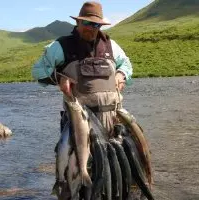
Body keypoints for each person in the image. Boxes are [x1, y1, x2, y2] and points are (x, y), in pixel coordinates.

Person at [32, 1, 145, 199]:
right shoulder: (61, 46)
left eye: (96, 25)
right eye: (88, 24)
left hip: (111, 121)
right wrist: (59, 77)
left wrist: (121, 74)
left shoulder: (111, 45)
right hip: (78, 123)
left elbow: (127, 65)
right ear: (78, 22)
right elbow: (38, 71)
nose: (92, 29)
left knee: (110, 175)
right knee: (73, 174)